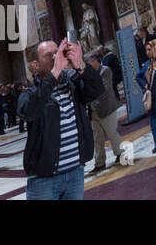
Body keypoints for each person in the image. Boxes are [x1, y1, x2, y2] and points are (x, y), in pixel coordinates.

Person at [17, 37, 103, 200]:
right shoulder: (29, 93)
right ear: (35, 65)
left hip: (75, 173)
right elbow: (29, 112)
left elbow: (97, 90)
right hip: (44, 180)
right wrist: (55, 72)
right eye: (48, 55)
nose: (56, 57)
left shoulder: (72, 82)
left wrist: (81, 66)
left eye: (57, 52)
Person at [86, 51, 123, 174]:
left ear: (95, 61)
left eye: (89, 64)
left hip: (107, 107)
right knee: (97, 138)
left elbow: (104, 90)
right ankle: (99, 163)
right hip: (94, 110)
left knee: (112, 133)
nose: (88, 66)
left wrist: (91, 96)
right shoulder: (90, 74)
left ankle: (121, 154)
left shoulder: (105, 70)